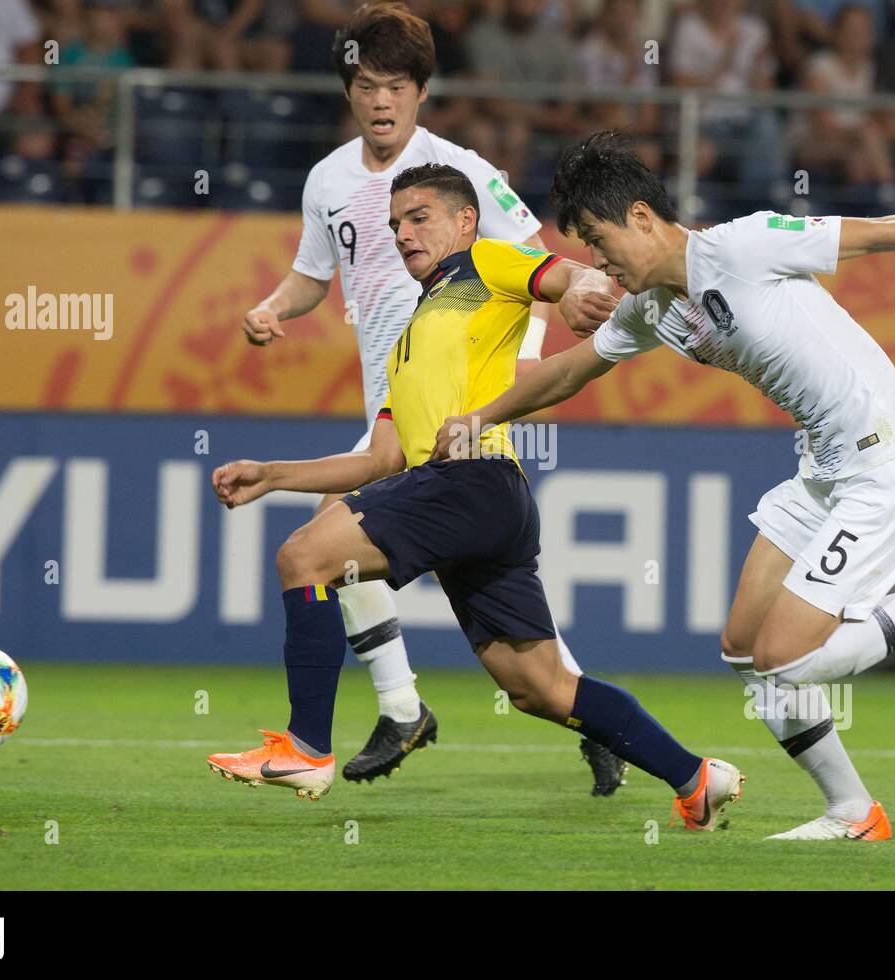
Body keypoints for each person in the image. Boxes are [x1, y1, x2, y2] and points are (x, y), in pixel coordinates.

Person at [434, 132, 895, 840]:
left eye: (597, 238)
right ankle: (853, 813)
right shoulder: (652, 309)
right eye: (582, 246)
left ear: (642, 217)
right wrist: (478, 417)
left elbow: (881, 233)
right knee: (743, 648)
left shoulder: (745, 245)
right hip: (824, 469)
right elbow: (569, 370)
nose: (596, 261)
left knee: (786, 659)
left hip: (888, 457)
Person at [208, 164, 744, 830]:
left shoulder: (485, 264)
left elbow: (559, 274)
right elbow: (381, 460)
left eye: (420, 217)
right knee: (541, 688)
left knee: (303, 558)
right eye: (395, 224)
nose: (404, 233)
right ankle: (695, 778)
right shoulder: (408, 341)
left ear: (465, 220)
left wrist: (581, 287)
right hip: (488, 502)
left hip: (472, 481)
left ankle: (307, 747)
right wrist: (273, 474)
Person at [239, 3, 627, 794]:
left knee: (323, 548)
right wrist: (276, 307)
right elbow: (315, 276)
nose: (380, 101)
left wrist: (510, 381)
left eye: (395, 86)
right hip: (391, 399)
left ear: (420, 90)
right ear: (348, 91)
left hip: (460, 398)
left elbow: (532, 268)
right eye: (364, 85)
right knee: (473, 582)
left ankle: (397, 708)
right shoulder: (328, 181)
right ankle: (578, 719)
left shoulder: (462, 172)